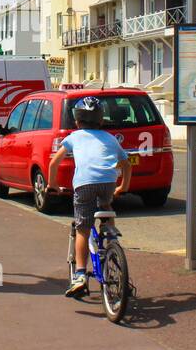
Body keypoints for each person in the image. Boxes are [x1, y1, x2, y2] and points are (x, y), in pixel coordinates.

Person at [47, 97, 132, 299]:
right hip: (108, 183)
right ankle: (111, 237)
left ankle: (79, 275)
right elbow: (127, 164)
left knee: (83, 229)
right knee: (106, 205)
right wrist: (123, 186)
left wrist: (52, 185)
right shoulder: (110, 138)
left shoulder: (74, 137)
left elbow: (53, 164)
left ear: (77, 121)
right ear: (101, 121)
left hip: (84, 184)